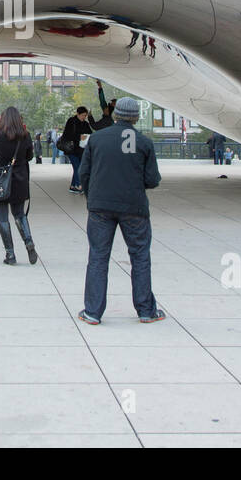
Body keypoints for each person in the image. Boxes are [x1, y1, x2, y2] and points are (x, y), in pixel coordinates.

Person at [77, 98, 164, 325]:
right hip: (134, 207)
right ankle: (146, 310)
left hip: (100, 208)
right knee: (140, 256)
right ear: (135, 117)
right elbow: (152, 180)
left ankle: (93, 312)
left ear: (115, 114)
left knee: (98, 256)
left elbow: (84, 173)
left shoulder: (96, 139)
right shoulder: (144, 142)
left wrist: (91, 196)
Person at [0, 106, 37, 265]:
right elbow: (30, 156)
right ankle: (29, 242)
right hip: (19, 180)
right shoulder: (25, 136)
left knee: (3, 218)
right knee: (19, 214)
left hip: (1, 181)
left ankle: (10, 254)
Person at [59, 106, 95, 193]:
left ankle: (73, 186)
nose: (84, 117)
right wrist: (79, 137)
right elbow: (67, 135)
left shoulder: (85, 124)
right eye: (83, 115)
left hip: (81, 150)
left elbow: (90, 133)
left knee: (77, 167)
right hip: (71, 149)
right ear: (78, 114)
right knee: (78, 167)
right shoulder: (71, 121)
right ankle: (80, 186)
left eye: (85, 115)